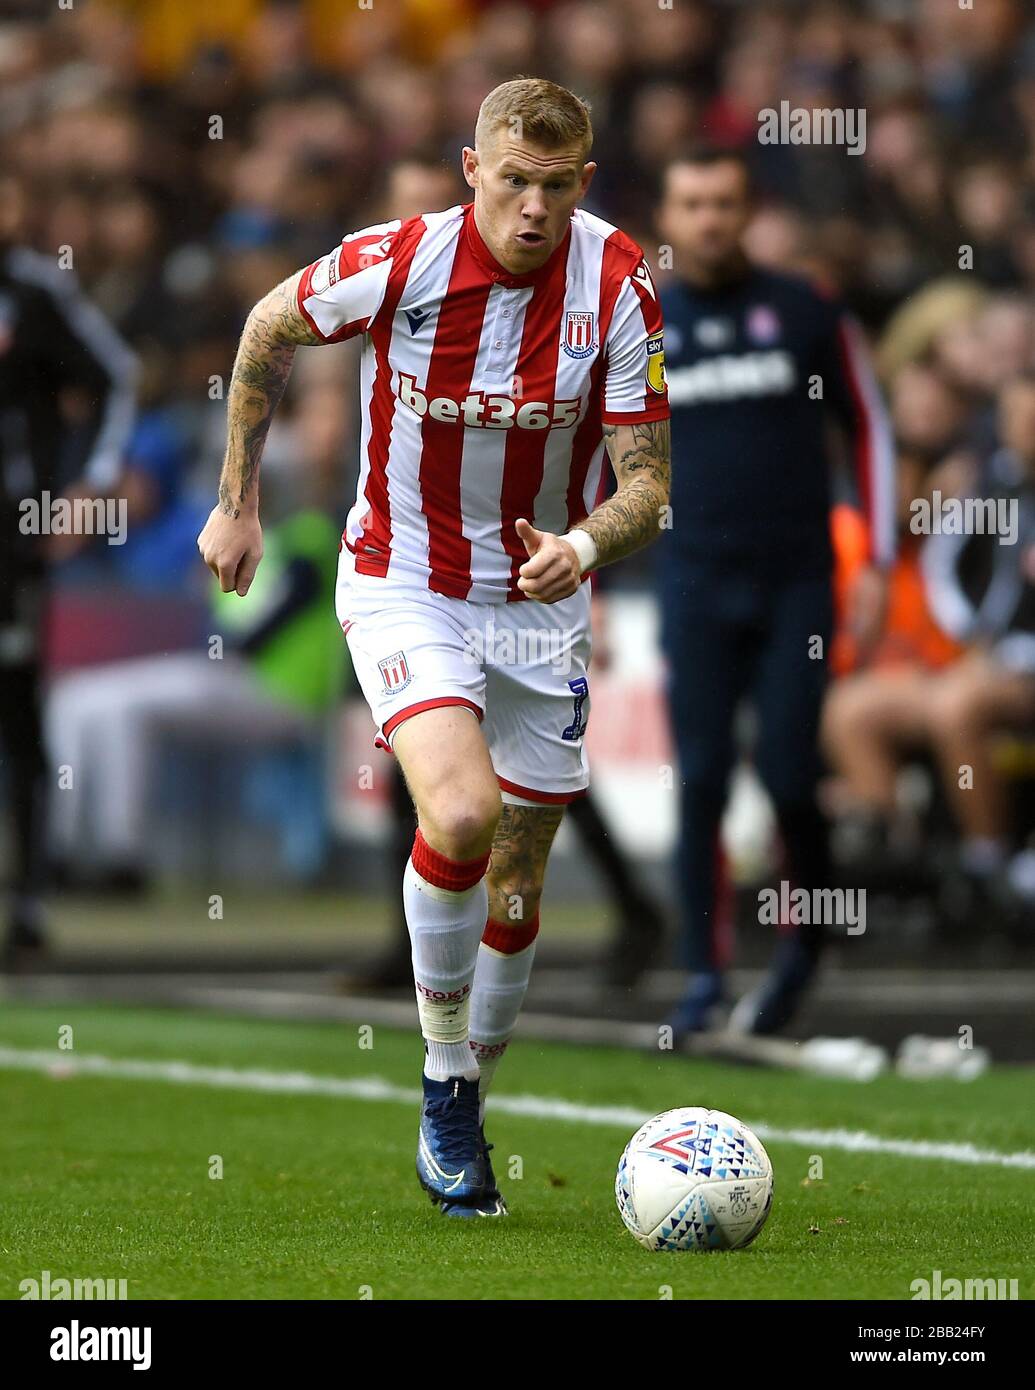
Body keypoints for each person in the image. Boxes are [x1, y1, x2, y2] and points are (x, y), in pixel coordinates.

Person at [197, 77, 671, 1218]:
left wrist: (585, 542)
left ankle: (472, 1079)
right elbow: (269, 325)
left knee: (516, 886)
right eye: (513, 181)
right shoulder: (399, 260)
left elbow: (649, 482)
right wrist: (238, 500)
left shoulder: (620, 286)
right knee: (456, 816)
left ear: (583, 184)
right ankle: (446, 1081)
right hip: (403, 580)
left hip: (540, 602)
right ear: (472, 170)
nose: (532, 208)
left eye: (556, 187)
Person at [653, 148, 895, 1036]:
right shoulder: (640, 322)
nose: (709, 219)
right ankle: (703, 977)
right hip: (690, 581)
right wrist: (588, 575)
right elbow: (599, 458)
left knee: (792, 774)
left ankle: (802, 950)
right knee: (702, 780)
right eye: (692, 203)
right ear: (669, 218)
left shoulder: (804, 308)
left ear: (747, 210)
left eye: (723, 202)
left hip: (797, 581)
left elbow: (868, 425)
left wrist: (872, 555)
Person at [0, 173, 136, 967]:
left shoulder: (33, 292)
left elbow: (114, 375)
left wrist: (89, 484)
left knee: (19, 714)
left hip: (14, 541)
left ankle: (29, 898)